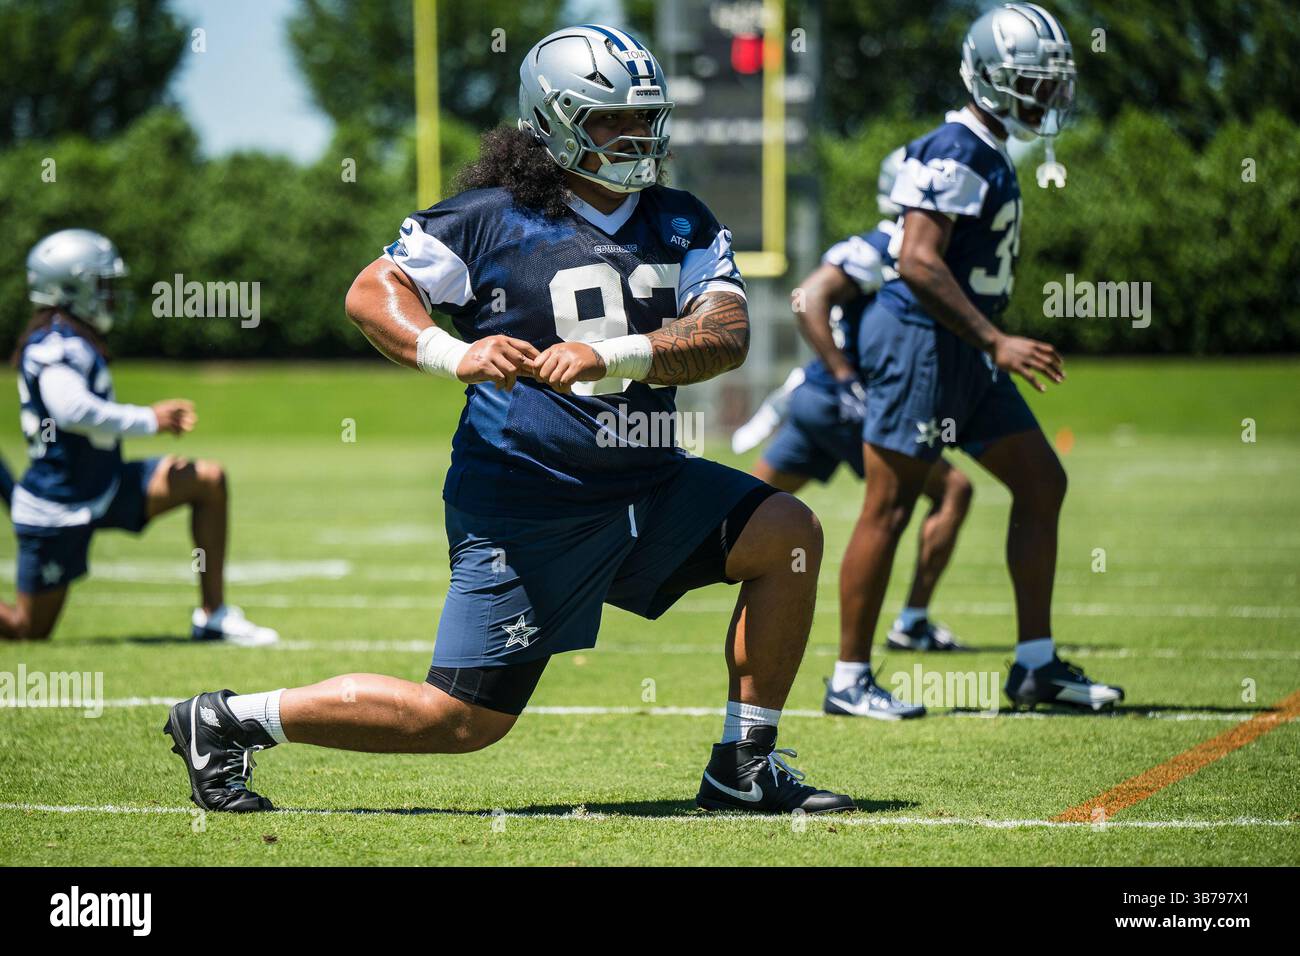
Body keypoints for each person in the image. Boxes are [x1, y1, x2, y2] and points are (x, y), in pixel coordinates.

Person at [162, 25, 853, 814]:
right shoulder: (491, 219)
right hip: (530, 505)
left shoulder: (680, 219)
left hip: (648, 484)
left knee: (786, 533)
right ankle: (226, 720)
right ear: (554, 121)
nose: (635, 135)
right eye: (609, 119)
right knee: (458, 720)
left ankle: (744, 768)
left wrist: (610, 355)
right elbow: (371, 291)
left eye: (644, 116)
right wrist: (451, 355)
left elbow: (725, 336)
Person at [834, 3, 1124, 713]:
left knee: (1040, 481)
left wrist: (986, 341)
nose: (1049, 95)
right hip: (922, 346)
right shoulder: (957, 148)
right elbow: (918, 260)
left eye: (1052, 80)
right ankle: (848, 679)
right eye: (1034, 79)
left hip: (963, 351)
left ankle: (1033, 668)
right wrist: (996, 339)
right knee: (890, 505)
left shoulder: (988, 147)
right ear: (989, 78)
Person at [748, 150, 974, 722]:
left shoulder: (896, 247)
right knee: (951, 492)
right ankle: (911, 624)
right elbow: (808, 296)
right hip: (840, 399)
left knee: (749, 505)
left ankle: (650, 567)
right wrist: (849, 376)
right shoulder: (886, 247)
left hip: (816, 398)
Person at [1, 229, 279, 645]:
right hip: (58, 506)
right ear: (71, 286)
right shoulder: (55, 346)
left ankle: (213, 615)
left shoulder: (73, 338)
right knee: (27, 629)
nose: (111, 295)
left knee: (207, 480)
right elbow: (72, 411)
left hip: (107, 484)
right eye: (102, 285)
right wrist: (150, 418)